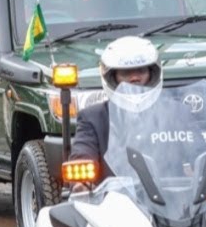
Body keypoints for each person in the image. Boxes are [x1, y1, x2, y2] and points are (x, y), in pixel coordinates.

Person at [70, 36, 163, 170]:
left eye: (141, 70)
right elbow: (82, 153)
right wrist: (82, 183)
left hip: (172, 189)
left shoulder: (176, 113)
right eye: (126, 73)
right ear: (111, 78)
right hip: (113, 190)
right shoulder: (93, 118)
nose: (135, 78)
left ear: (153, 73)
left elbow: (199, 153)